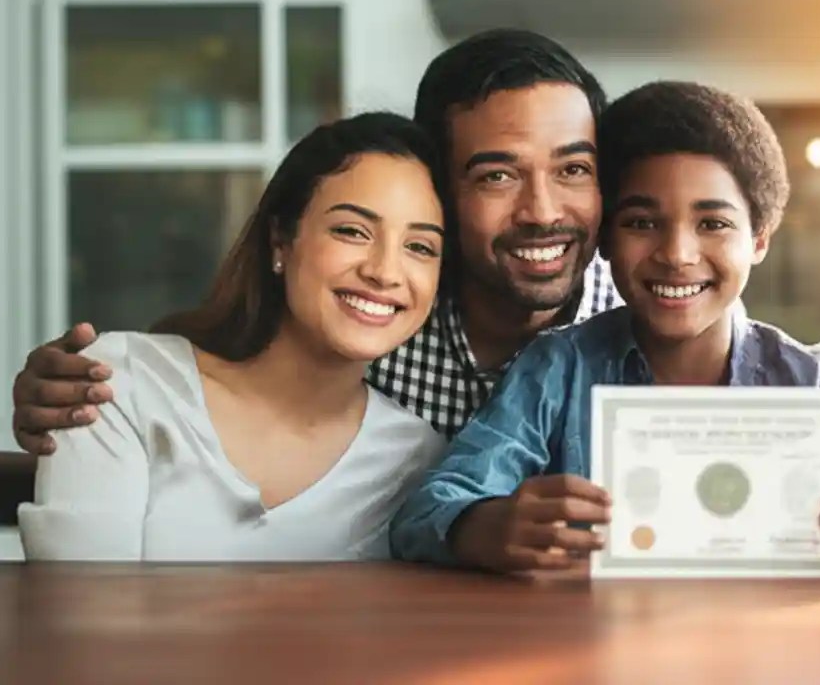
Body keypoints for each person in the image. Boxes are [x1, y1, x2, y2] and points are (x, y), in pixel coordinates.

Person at [388, 82, 820, 575]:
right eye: (642, 222)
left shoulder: (810, 381)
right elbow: (428, 507)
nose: (677, 253)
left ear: (761, 239)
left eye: (713, 224)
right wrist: (491, 528)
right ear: (606, 239)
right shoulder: (558, 369)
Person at [9, 28, 620, 454]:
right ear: (440, 189)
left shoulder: (650, 316)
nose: (543, 211)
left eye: (573, 170)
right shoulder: (367, 313)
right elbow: (202, 382)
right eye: (497, 176)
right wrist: (79, 394)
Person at [18, 113, 449, 561]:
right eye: (351, 231)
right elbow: (76, 612)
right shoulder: (120, 382)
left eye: (420, 247)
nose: (384, 271)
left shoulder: (417, 462)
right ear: (281, 241)